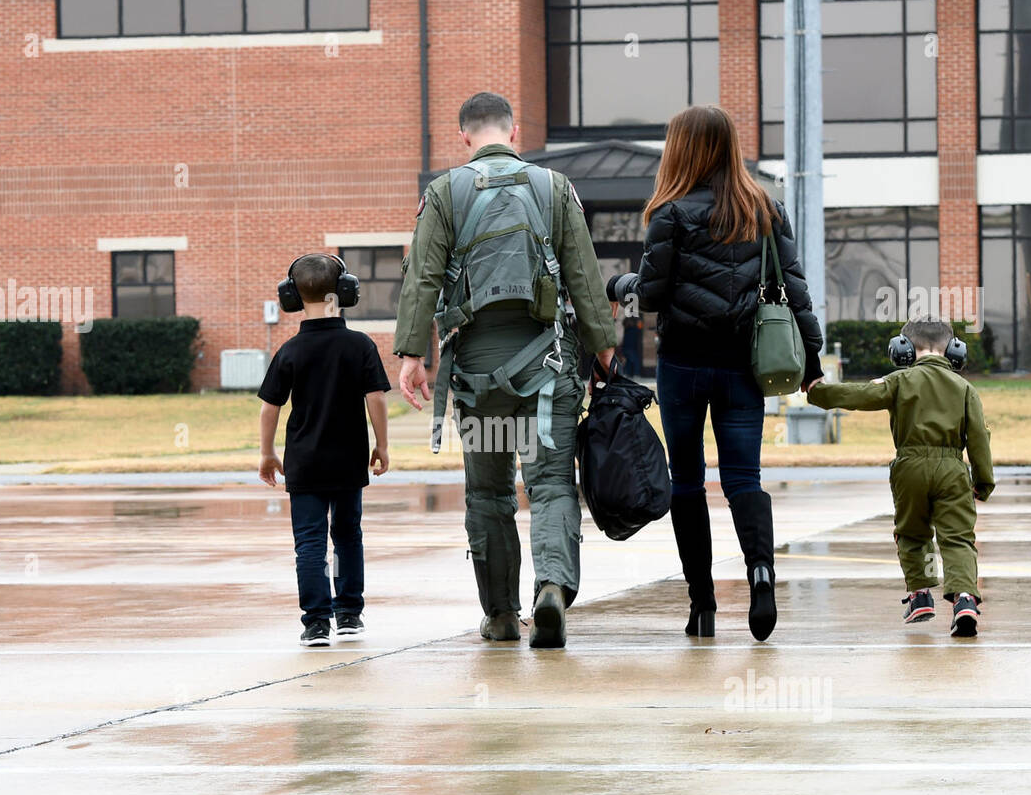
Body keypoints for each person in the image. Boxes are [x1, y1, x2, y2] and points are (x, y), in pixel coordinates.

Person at [394, 92, 618, 648]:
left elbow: (422, 278)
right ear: (514, 133)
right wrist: (606, 350)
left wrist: (411, 356)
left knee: (488, 494)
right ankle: (552, 587)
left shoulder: (444, 193)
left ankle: (498, 614)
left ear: (464, 136)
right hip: (548, 368)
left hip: (476, 374)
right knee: (549, 484)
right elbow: (585, 277)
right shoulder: (553, 188)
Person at [611, 104, 823, 642]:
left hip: (683, 364)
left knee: (687, 482)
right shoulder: (766, 210)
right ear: (730, 146)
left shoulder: (671, 213)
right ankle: (761, 573)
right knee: (743, 479)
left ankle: (702, 605)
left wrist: (617, 286)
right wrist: (813, 359)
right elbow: (793, 287)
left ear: (682, 149)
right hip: (745, 367)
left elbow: (652, 295)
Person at [807, 316, 994, 637]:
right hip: (952, 468)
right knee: (957, 538)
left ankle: (920, 594)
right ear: (953, 350)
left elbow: (857, 395)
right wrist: (983, 482)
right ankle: (964, 600)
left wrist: (817, 391)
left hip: (910, 466)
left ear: (902, 348)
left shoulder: (899, 381)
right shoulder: (965, 389)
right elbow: (979, 438)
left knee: (911, 533)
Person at [258, 254, 391, 647]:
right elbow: (377, 399)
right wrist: (381, 444)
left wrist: (267, 452)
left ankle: (316, 622)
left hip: (305, 463)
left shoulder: (289, 351)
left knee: (310, 543)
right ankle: (349, 614)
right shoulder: (360, 345)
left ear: (292, 297)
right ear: (345, 292)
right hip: (348, 459)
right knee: (348, 535)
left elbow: (270, 408)